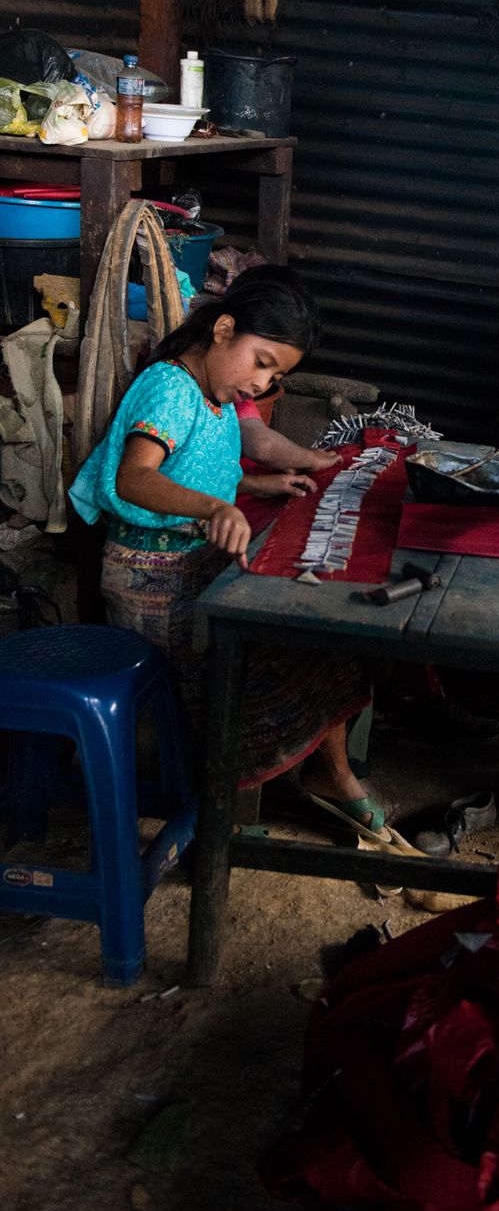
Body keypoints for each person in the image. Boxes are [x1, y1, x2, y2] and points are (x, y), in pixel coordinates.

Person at [68, 272, 395, 842]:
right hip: (151, 578)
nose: (264, 382)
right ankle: (218, 819)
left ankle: (326, 774)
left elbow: (193, 468)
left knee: (319, 643)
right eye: (262, 362)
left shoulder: (213, 395)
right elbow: (136, 479)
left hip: (191, 562)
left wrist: (256, 489)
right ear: (223, 330)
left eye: (277, 375)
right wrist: (214, 511)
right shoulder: (170, 387)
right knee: (228, 682)